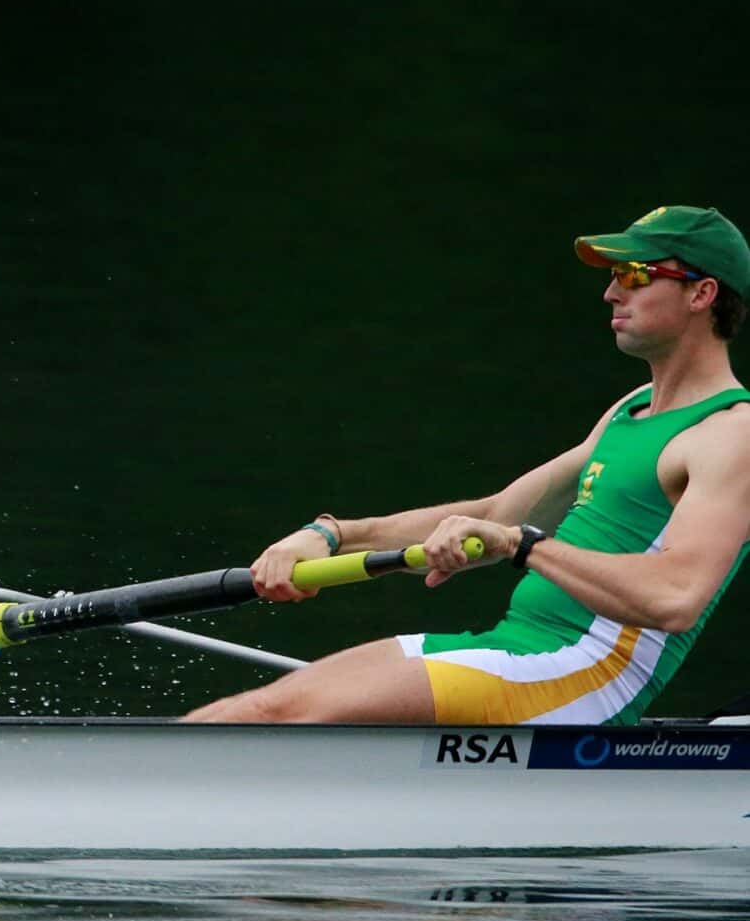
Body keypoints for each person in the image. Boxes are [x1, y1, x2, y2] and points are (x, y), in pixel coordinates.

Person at [187, 205, 750, 725]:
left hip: (583, 675)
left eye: (632, 275)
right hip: (516, 647)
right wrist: (330, 535)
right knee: (253, 708)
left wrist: (519, 545)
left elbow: (676, 598)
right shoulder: (630, 412)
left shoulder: (731, 433)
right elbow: (497, 511)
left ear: (701, 293)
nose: (608, 293)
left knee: (276, 716)